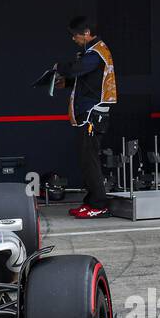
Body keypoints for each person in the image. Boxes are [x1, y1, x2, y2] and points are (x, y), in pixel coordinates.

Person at [55, 16, 118, 219]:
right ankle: (91, 201)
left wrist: (59, 67)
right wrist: (64, 83)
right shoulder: (90, 52)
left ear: (87, 33)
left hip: (93, 115)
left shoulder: (96, 52)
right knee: (85, 160)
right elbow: (87, 81)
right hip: (87, 114)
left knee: (90, 160)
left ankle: (100, 205)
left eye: (75, 35)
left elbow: (76, 69)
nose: (74, 39)